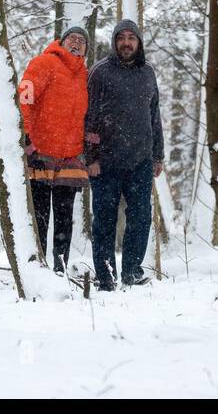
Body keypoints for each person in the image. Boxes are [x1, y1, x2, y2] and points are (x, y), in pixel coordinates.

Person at [83, 19, 164, 290]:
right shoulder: (100, 72)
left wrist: (158, 155)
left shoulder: (148, 73)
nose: (126, 42)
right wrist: (91, 157)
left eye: (131, 37)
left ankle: (131, 271)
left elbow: (154, 116)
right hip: (105, 162)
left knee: (141, 218)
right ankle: (106, 276)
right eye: (121, 38)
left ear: (139, 42)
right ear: (115, 42)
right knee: (104, 220)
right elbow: (89, 117)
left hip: (140, 160)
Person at [18, 25, 93, 273]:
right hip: (39, 153)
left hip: (70, 157)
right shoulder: (43, 63)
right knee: (39, 217)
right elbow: (24, 98)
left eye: (82, 41)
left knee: (64, 219)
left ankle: (60, 268)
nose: (76, 43)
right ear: (61, 42)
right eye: (72, 38)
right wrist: (26, 139)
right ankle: (36, 270)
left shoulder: (84, 75)